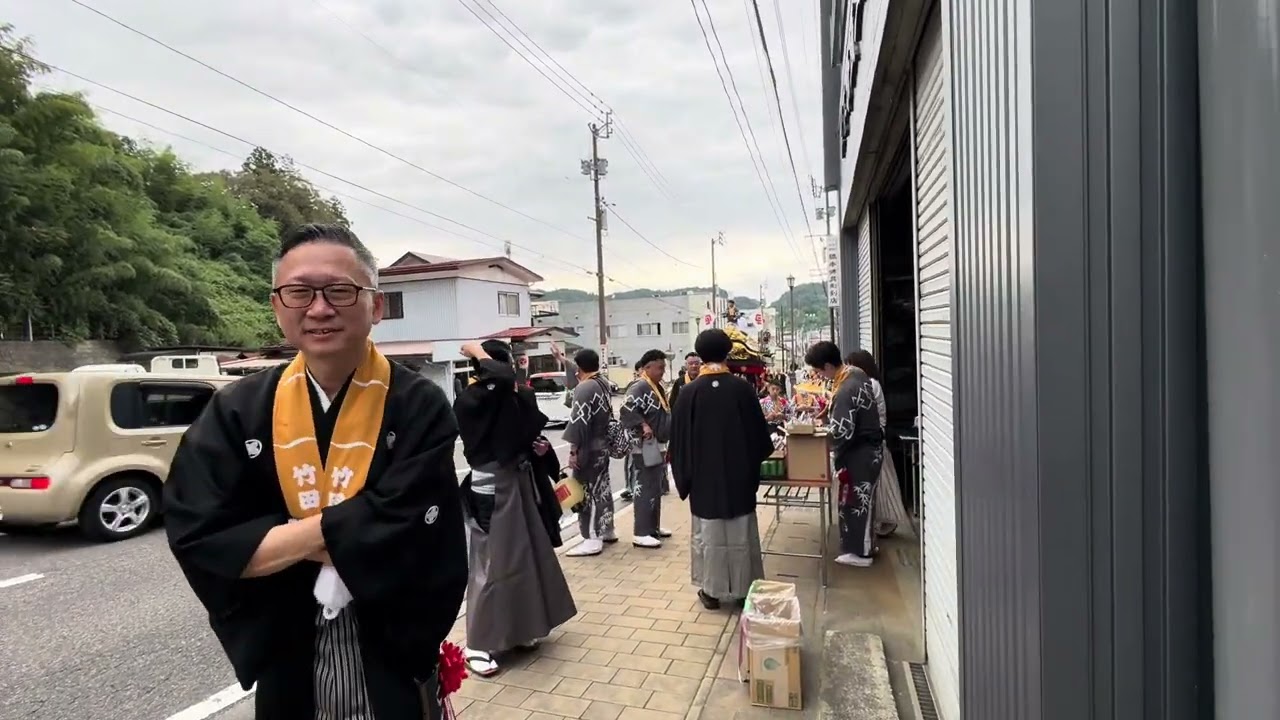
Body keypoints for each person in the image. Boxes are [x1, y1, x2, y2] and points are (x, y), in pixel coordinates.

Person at [163, 223, 468, 720]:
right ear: (277, 305)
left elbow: (413, 525)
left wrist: (275, 539)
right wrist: (355, 525)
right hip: (287, 644)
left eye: (340, 290)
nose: (319, 308)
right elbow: (200, 534)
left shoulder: (418, 405)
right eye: (299, 292)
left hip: (386, 641)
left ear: (376, 305)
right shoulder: (237, 409)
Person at [454, 339, 577, 678]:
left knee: (525, 559)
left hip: (518, 483)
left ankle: (521, 629)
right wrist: (479, 354)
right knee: (491, 566)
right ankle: (478, 643)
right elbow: (504, 380)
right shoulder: (471, 400)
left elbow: (522, 418)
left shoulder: (511, 396)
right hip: (490, 488)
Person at [670, 329, 773, 609]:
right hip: (738, 477)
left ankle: (712, 592)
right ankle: (743, 591)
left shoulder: (688, 393)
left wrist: (685, 478)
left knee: (709, 535)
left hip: (704, 480)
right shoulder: (742, 389)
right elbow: (760, 438)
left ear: (699, 355)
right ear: (728, 352)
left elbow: (677, 443)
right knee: (741, 533)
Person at [805, 341, 884, 567]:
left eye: (819, 370)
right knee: (862, 502)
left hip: (860, 453)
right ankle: (864, 547)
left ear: (828, 365)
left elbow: (841, 431)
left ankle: (861, 553)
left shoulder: (845, 389)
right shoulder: (856, 373)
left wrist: (821, 437)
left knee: (857, 502)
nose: (819, 375)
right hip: (870, 450)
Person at [844, 350, 914, 538]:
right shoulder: (869, 383)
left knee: (880, 487)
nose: (848, 369)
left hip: (873, 441)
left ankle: (876, 527)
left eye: (851, 364)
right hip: (873, 440)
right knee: (881, 486)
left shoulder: (870, 385)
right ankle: (877, 525)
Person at [563, 348, 617, 557]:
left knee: (587, 491)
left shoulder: (585, 388)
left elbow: (579, 421)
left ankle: (592, 537)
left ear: (579, 367)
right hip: (602, 446)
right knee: (602, 488)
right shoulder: (602, 383)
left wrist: (573, 450)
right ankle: (607, 529)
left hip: (589, 447)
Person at [620, 349, 673, 548]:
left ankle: (652, 527)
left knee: (655, 486)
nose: (662, 371)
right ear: (647, 367)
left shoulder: (655, 386)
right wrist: (642, 425)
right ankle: (640, 531)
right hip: (644, 445)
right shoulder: (640, 386)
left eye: (664, 367)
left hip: (657, 443)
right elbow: (626, 408)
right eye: (660, 367)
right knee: (644, 486)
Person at [620, 359, 645, 501]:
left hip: (648, 433)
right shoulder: (634, 386)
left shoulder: (654, 385)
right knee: (632, 461)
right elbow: (626, 409)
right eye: (642, 369)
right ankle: (630, 487)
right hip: (634, 432)